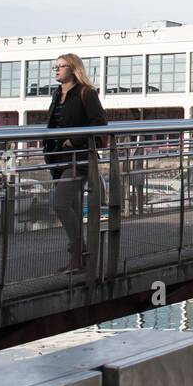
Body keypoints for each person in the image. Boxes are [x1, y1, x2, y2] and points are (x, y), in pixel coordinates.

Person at [43, 53, 108, 271]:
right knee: (72, 206)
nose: (57, 70)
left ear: (73, 69)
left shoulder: (86, 93)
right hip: (58, 159)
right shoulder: (57, 94)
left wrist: (74, 140)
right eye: (55, 66)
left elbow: (100, 127)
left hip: (79, 158)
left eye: (61, 66)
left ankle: (79, 252)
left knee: (60, 203)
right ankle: (80, 260)